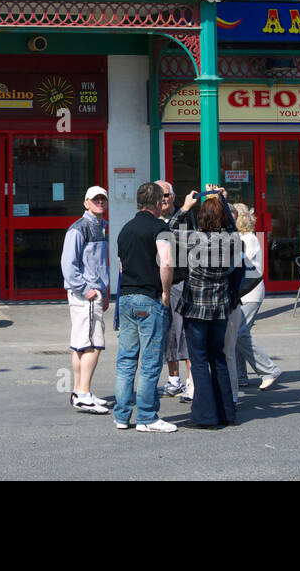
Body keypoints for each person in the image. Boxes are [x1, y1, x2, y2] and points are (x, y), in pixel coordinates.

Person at [112, 181, 177, 432]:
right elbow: (167, 263)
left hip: (126, 297)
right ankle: (147, 417)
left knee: (126, 361)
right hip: (149, 297)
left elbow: (121, 265)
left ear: (138, 202)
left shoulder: (125, 230)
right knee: (150, 362)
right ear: (159, 203)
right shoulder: (160, 228)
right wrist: (166, 293)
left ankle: (121, 415)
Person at [177, 194, 243, 428]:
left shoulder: (193, 238)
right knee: (218, 357)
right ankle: (226, 413)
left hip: (196, 306)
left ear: (202, 217)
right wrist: (223, 201)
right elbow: (233, 227)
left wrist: (185, 207)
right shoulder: (232, 240)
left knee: (199, 360)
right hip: (221, 306)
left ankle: (205, 416)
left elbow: (169, 229)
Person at [61, 185, 111, 414]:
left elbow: (100, 264)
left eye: (103, 199)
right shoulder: (79, 228)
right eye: (95, 199)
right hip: (86, 295)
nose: (100, 202)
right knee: (93, 344)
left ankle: (81, 392)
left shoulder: (101, 227)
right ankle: (82, 393)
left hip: (92, 293)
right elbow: (68, 265)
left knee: (81, 344)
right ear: (86, 202)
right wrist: (87, 289)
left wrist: (106, 290)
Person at [232, 206, 280, 391]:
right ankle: (240, 376)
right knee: (238, 333)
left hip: (250, 292)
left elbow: (240, 263)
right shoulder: (245, 238)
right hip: (245, 291)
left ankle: (269, 370)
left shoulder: (247, 239)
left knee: (240, 333)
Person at [157, 181, 195, 401]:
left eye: (166, 194)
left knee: (186, 332)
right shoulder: (151, 217)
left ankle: (191, 382)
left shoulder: (186, 216)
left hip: (181, 279)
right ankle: (173, 380)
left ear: (173, 196)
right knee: (169, 332)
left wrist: (183, 210)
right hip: (161, 284)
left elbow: (169, 233)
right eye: (159, 194)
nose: (163, 198)